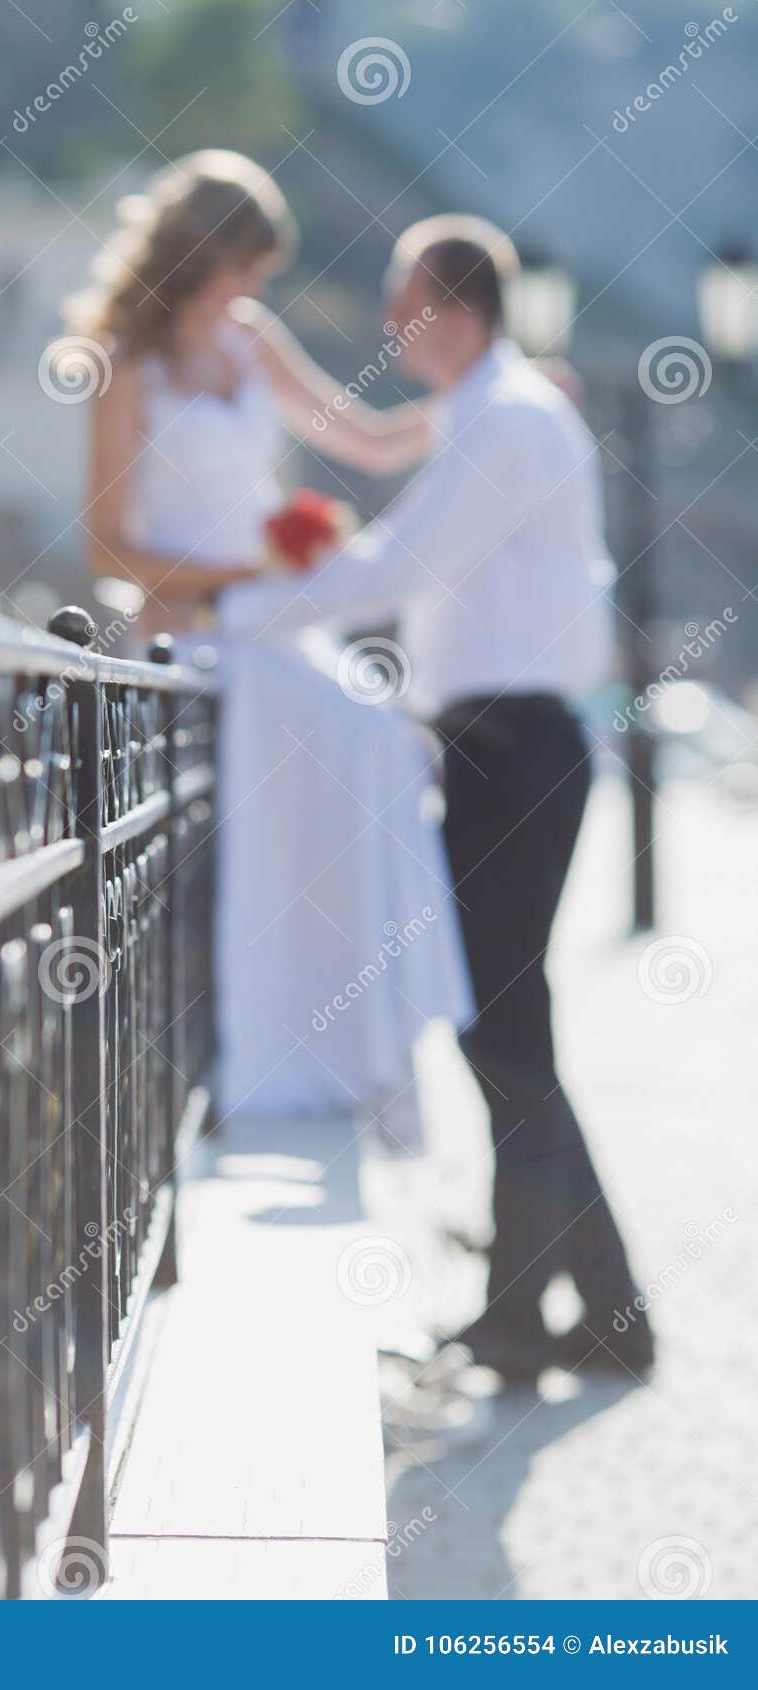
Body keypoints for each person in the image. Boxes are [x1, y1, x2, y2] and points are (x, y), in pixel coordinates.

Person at [263, 214, 652, 1375]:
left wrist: (236, 615)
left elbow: (396, 567)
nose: (388, 323)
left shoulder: (510, 421)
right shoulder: (496, 415)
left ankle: (537, 1315)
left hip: (511, 751)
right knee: (506, 1028)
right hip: (502, 750)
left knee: (503, 1029)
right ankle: (593, 1312)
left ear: (454, 310)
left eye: (402, 301)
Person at [73, 151, 472, 1127]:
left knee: (377, 741)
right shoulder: (129, 365)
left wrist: (477, 405)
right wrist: (238, 577)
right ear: (199, 257)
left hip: (275, 625)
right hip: (193, 636)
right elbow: (106, 541)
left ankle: (351, 1035)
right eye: (243, 267)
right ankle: (278, 1042)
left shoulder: (250, 341)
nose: (253, 288)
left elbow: (368, 438)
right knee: (353, 732)